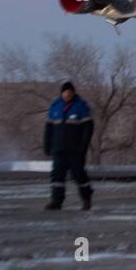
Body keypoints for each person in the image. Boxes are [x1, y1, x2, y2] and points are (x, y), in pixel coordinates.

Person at [43, 81, 94, 211]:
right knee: (57, 175)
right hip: (58, 148)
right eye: (65, 93)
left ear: (73, 93)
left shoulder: (81, 107)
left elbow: (88, 128)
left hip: (75, 149)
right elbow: (49, 129)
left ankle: (86, 198)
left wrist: (84, 145)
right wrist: (47, 145)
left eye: (70, 93)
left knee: (79, 174)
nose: (67, 95)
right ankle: (56, 200)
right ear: (62, 93)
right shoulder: (55, 106)